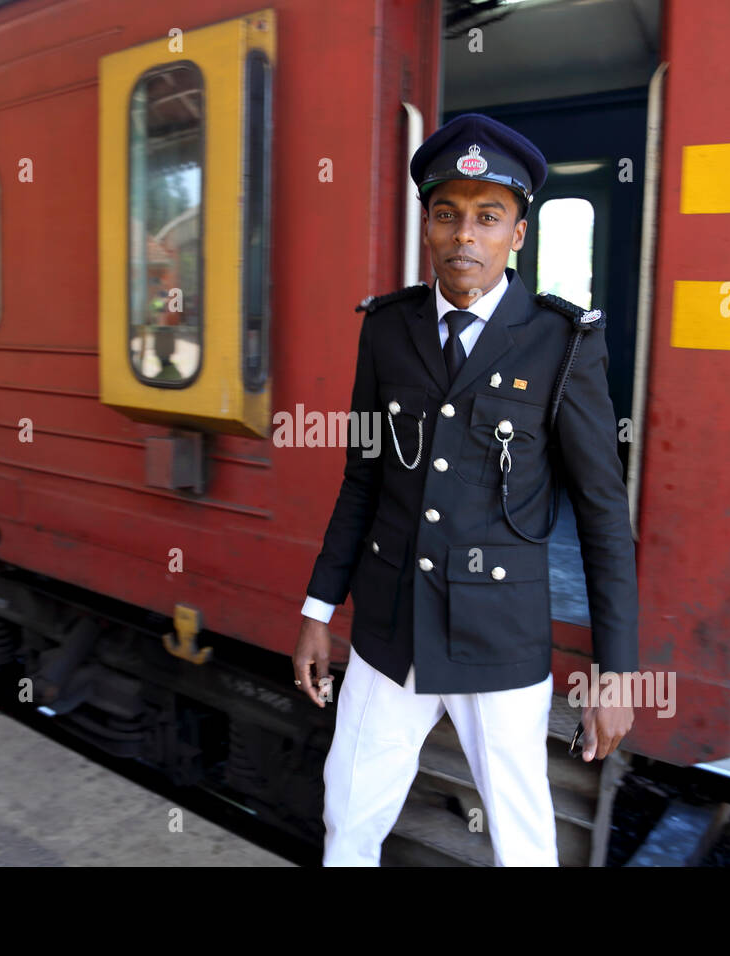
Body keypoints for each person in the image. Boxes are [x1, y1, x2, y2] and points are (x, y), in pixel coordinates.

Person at [291, 112, 640, 866]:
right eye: (447, 215)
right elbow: (361, 477)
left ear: (519, 232)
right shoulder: (386, 330)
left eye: (488, 217)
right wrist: (319, 609)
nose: (464, 236)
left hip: (500, 643)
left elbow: (605, 516)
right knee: (347, 821)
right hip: (389, 635)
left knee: (523, 844)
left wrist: (616, 673)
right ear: (426, 226)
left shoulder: (562, 343)